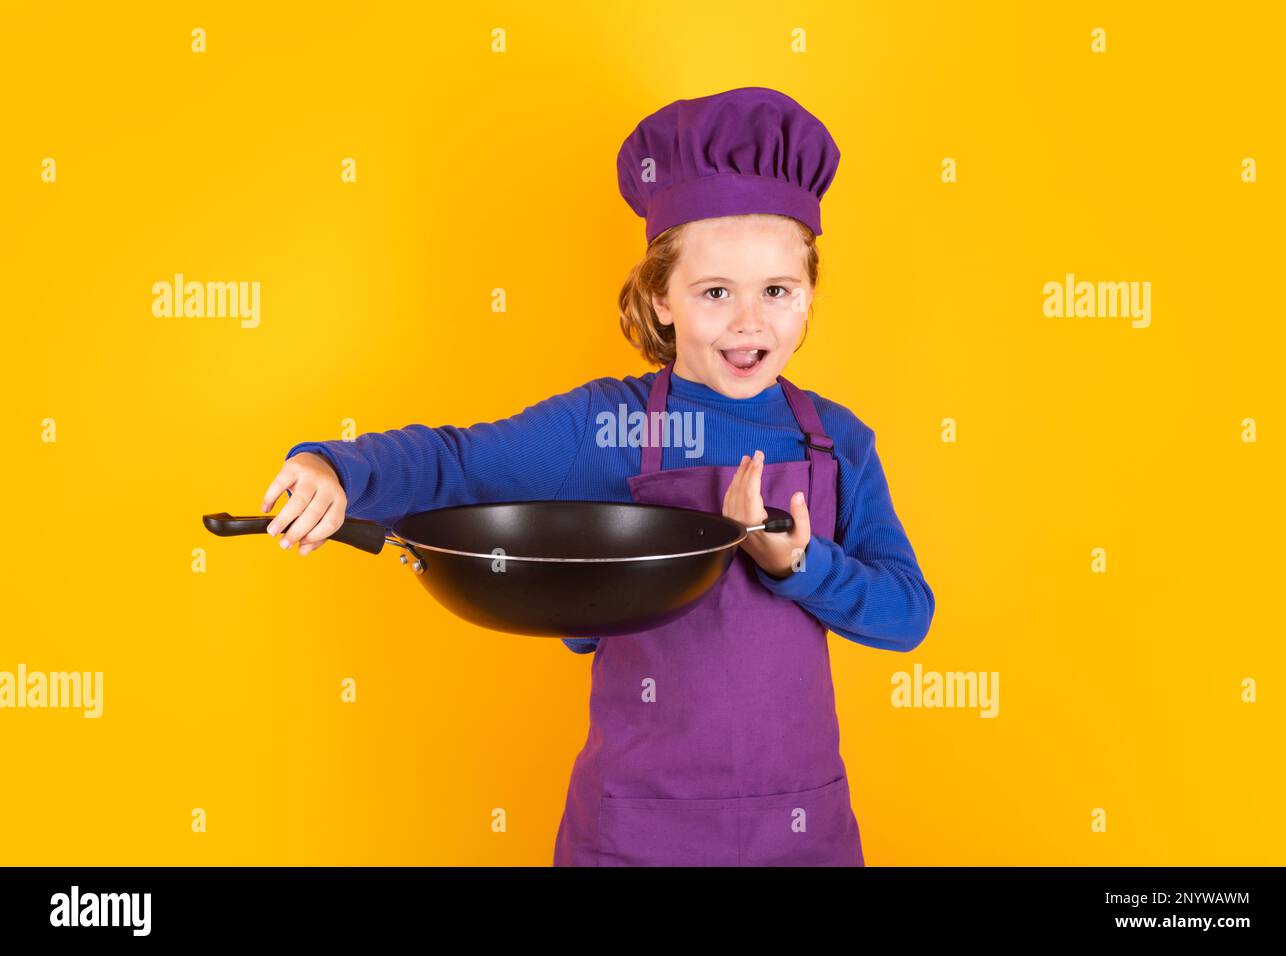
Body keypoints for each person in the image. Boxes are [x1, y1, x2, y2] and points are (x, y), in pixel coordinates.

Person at [261, 86, 936, 866]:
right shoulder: (606, 427)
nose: (751, 322)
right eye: (715, 291)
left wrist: (799, 563)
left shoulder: (837, 442)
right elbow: (456, 462)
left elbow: (906, 615)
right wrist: (334, 467)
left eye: (777, 291)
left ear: (810, 293)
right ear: (661, 296)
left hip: (801, 828)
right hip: (638, 830)